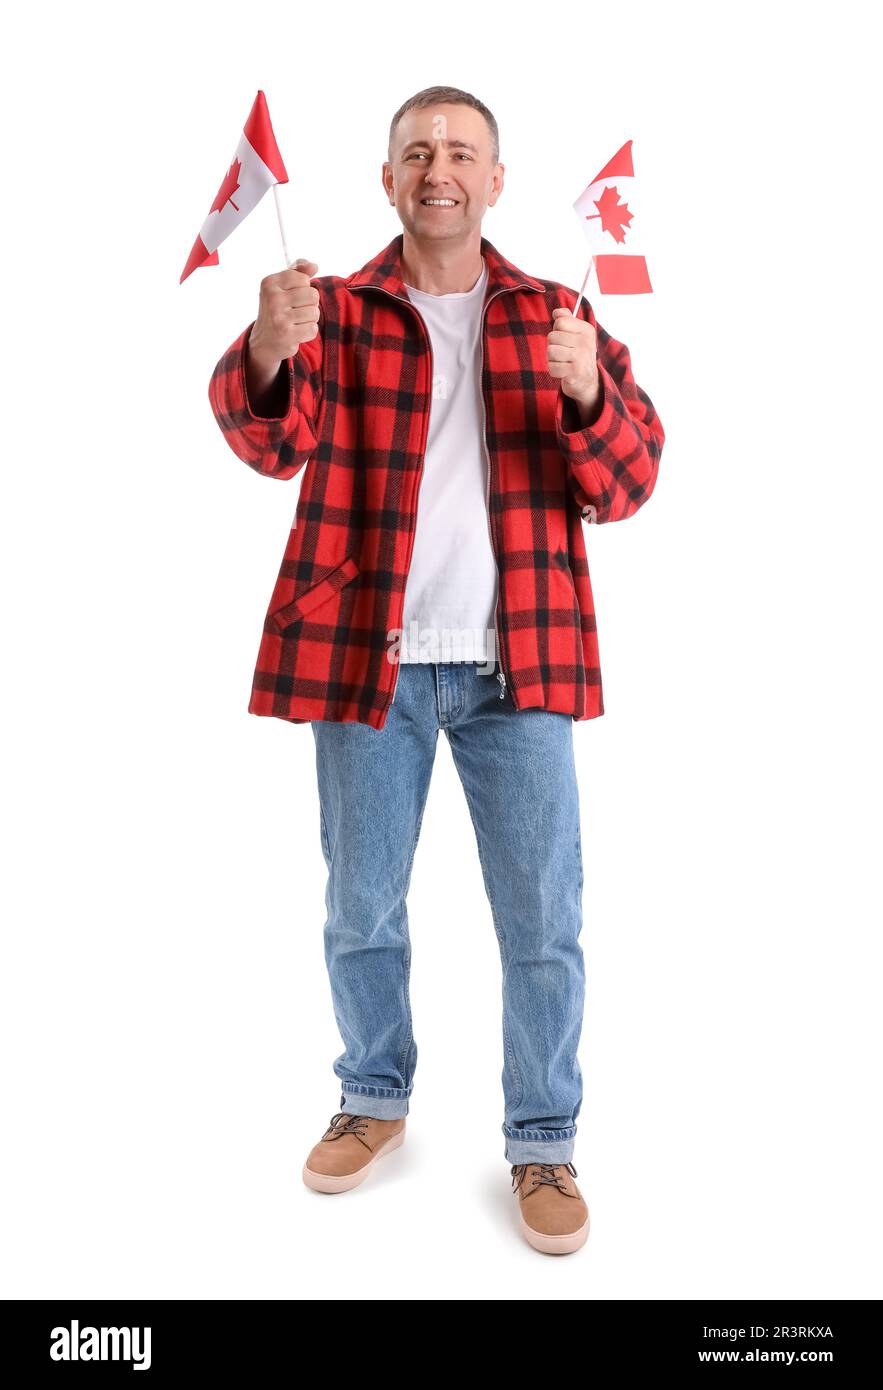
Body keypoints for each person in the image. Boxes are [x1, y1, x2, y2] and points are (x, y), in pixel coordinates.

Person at [208, 85, 664, 1256]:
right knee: (360, 908)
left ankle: (543, 1137)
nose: (439, 169)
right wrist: (266, 345)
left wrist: (588, 390)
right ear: (389, 179)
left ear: (496, 181)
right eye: (417, 151)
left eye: (461, 152)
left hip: (521, 668)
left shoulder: (559, 313)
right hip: (371, 662)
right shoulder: (338, 309)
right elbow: (271, 442)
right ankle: (372, 1098)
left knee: (543, 924)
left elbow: (630, 480)